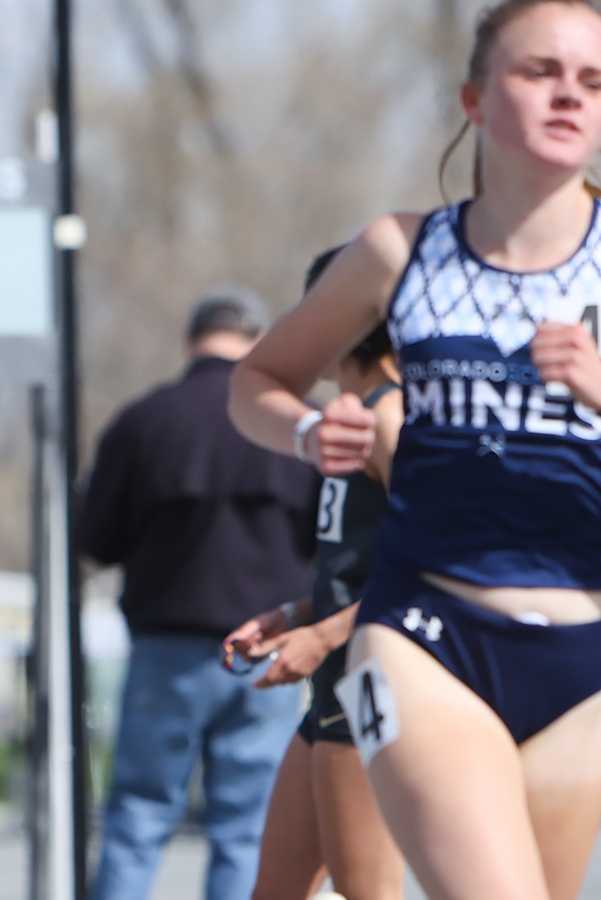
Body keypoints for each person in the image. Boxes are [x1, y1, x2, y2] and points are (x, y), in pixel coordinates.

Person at [230, 2, 601, 895]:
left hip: (582, 652)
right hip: (422, 636)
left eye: (592, 81)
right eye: (539, 71)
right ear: (475, 97)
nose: (568, 96)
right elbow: (256, 383)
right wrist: (312, 430)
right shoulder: (402, 251)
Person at [81, 289, 316, 900]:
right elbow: (330, 537)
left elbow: (98, 540)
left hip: (166, 652)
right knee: (245, 829)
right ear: (258, 341)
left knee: (138, 818)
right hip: (266, 651)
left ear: (192, 342)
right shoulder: (294, 423)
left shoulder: (144, 421)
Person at [222, 247, 405, 900]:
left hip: (373, 681)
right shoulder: (339, 426)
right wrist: (294, 616)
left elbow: (428, 571)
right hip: (333, 681)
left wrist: (322, 637)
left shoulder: (393, 419)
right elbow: (362, 562)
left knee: (368, 890)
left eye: (315, 312)